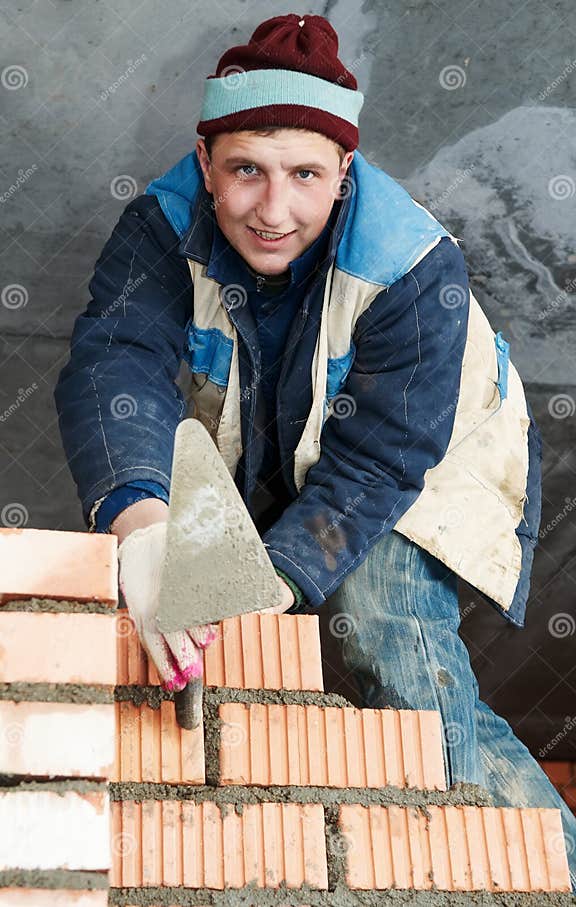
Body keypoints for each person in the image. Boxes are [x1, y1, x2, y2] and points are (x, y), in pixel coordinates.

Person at [54, 13, 576, 887]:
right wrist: (142, 527)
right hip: (272, 446)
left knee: (386, 634)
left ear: (344, 173)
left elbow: (379, 463)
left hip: (430, 460)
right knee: (186, 614)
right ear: (205, 158)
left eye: (305, 174)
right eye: (246, 171)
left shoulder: (413, 265)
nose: (273, 208)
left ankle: (518, 873)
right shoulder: (158, 225)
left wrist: (270, 588)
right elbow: (117, 364)